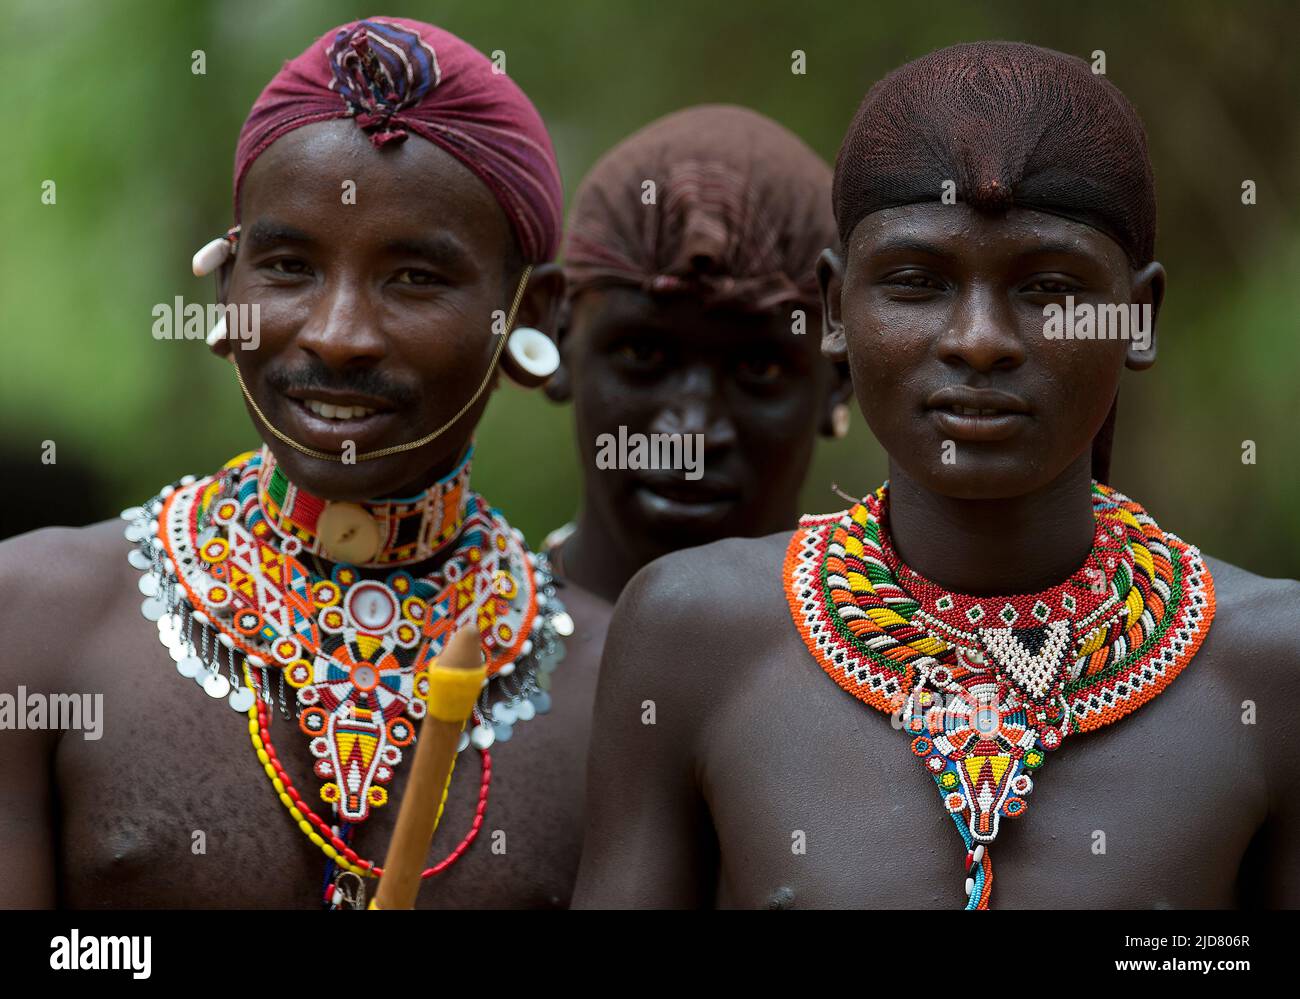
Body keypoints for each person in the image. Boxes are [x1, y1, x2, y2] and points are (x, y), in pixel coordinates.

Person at [573, 42, 1300, 909]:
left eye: (1050, 289)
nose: (981, 339)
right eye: (917, 282)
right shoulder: (692, 633)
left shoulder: (1271, 667)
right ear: (836, 311)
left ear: (1138, 317)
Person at [0, 17, 588, 908]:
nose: (338, 334)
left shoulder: (619, 688)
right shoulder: (35, 619)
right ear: (224, 286)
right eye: (288, 265)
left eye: (415, 278)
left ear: (530, 316)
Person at [542, 105, 851, 735]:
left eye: (759, 369)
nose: (690, 435)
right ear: (559, 341)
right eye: (642, 355)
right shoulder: (457, 675)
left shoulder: (904, 698)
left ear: (839, 384)